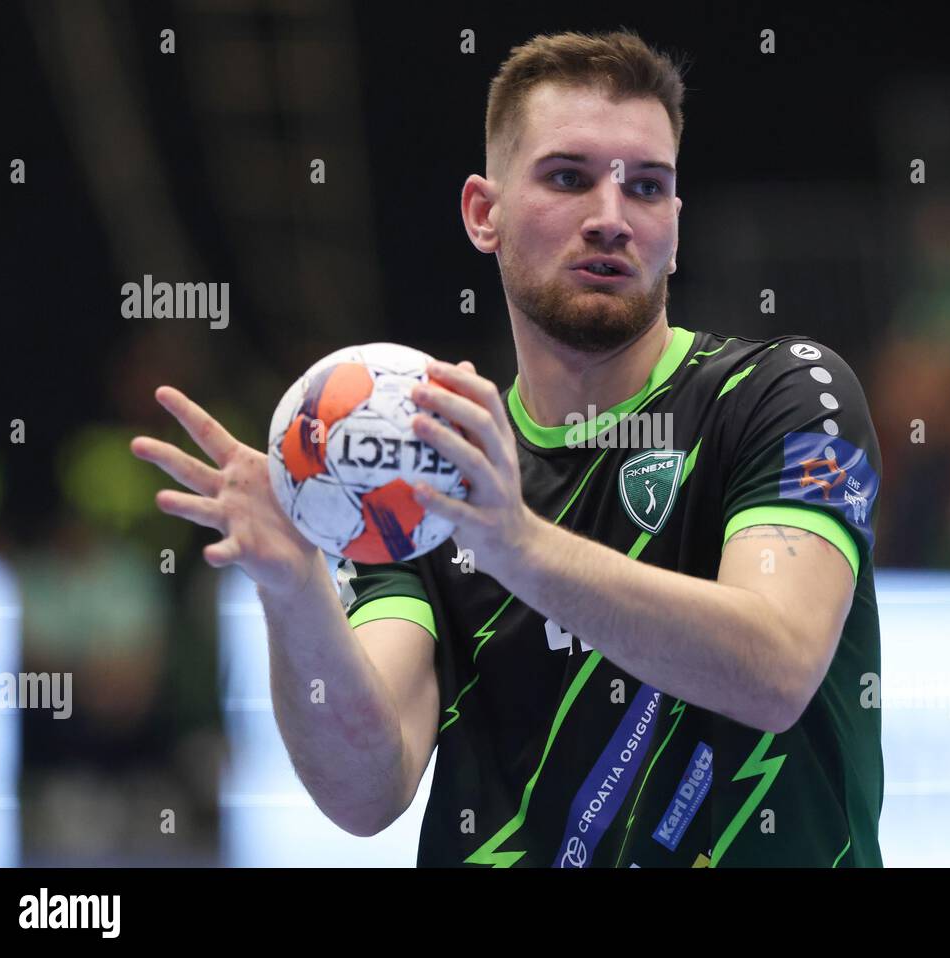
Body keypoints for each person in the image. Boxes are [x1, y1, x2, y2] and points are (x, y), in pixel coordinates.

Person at [131, 28, 885, 867]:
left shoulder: (785, 394)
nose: (610, 217)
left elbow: (775, 670)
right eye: (569, 178)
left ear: (674, 222)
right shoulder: (424, 472)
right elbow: (364, 792)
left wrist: (517, 546)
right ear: (483, 215)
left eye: (646, 187)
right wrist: (295, 585)